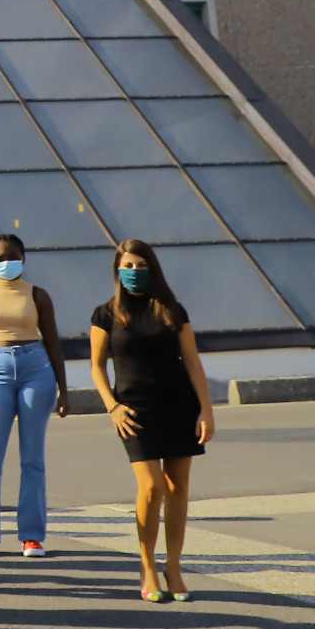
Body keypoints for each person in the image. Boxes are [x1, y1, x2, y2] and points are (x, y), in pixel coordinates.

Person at [88, 239, 216, 602]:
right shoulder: (105, 314)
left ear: (153, 269)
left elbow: (192, 361)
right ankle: (146, 565)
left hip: (179, 406)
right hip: (133, 411)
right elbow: (97, 367)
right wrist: (112, 406)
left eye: (140, 265)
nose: (133, 272)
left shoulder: (172, 310)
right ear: (117, 270)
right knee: (151, 488)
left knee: (178, 488)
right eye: (126, 266)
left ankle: (173, 565)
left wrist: (206, 409)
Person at [0, 234, 70, 558]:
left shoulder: (38, 295)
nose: (5, 262)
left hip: (36, 368)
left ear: (23, 258)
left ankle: (32, 535)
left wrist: (64, 390)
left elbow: (53, 342)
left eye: (11, 256)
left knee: (32, 458)